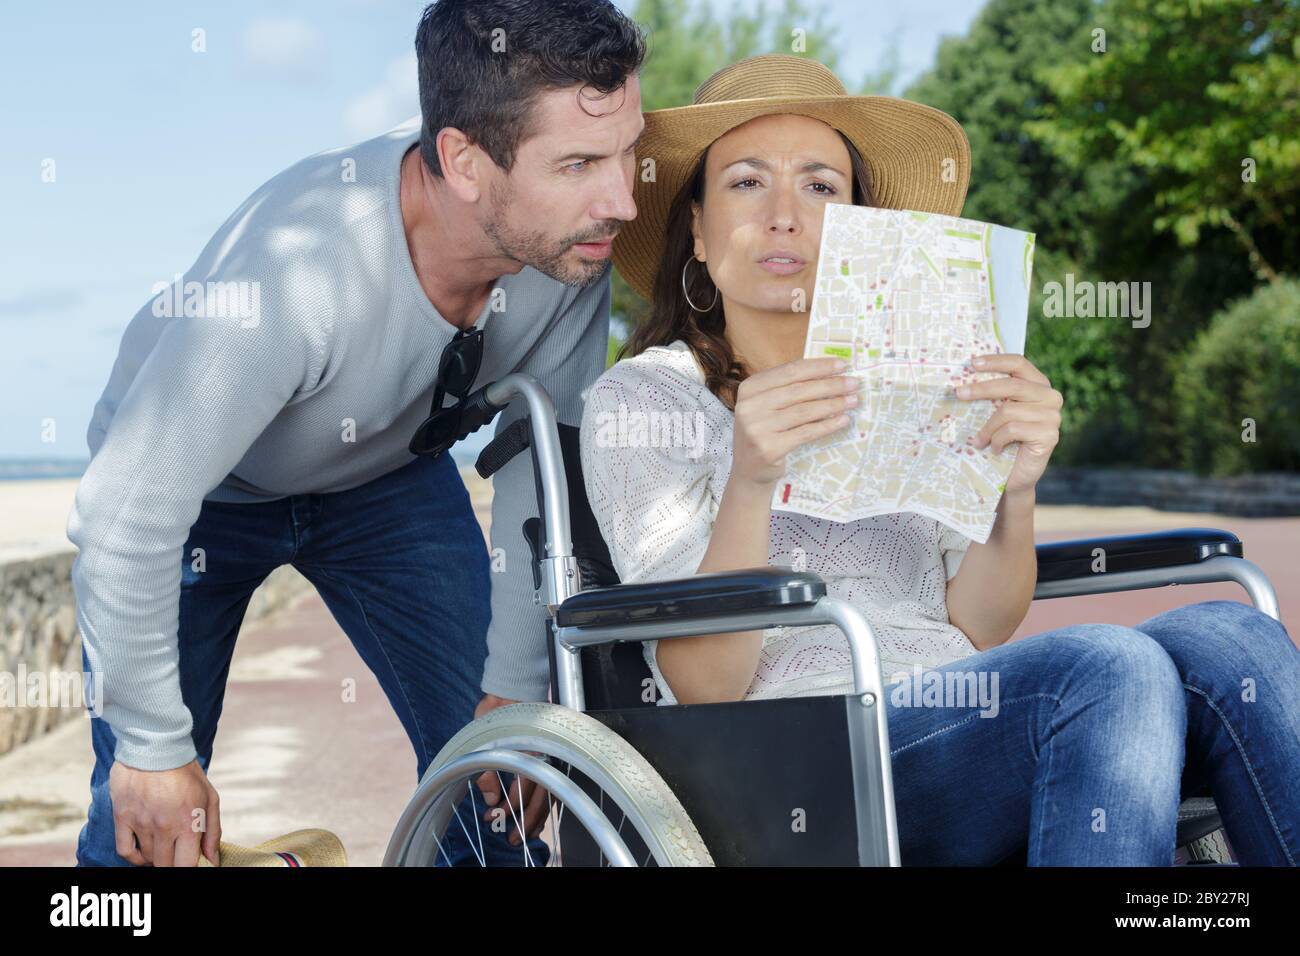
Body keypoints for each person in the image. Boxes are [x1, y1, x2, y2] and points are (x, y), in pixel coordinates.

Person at [580, 53, 1300, 865]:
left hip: (960, 713)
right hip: (794, 761)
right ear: (701, 234)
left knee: (1235, 639)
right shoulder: (648, 400)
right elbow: (704, 686)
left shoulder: (917, 380)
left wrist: (1014, 491)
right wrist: (751, 479)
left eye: (821, 186)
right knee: (1110, 665)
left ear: (862, 232)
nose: (785, 213)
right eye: (748, 182)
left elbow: (979, 625)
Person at [68, 0, 645, 867]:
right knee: (149, 826)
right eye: (579, 163)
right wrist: (153, 749)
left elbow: (540, 467)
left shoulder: (570, 249)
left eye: (629, 151)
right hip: (197, 500)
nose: (623, 201)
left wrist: (515, 687)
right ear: (463, 162)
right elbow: (124, 513)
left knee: (500, 785)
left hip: (382, 478)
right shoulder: (296, 270)